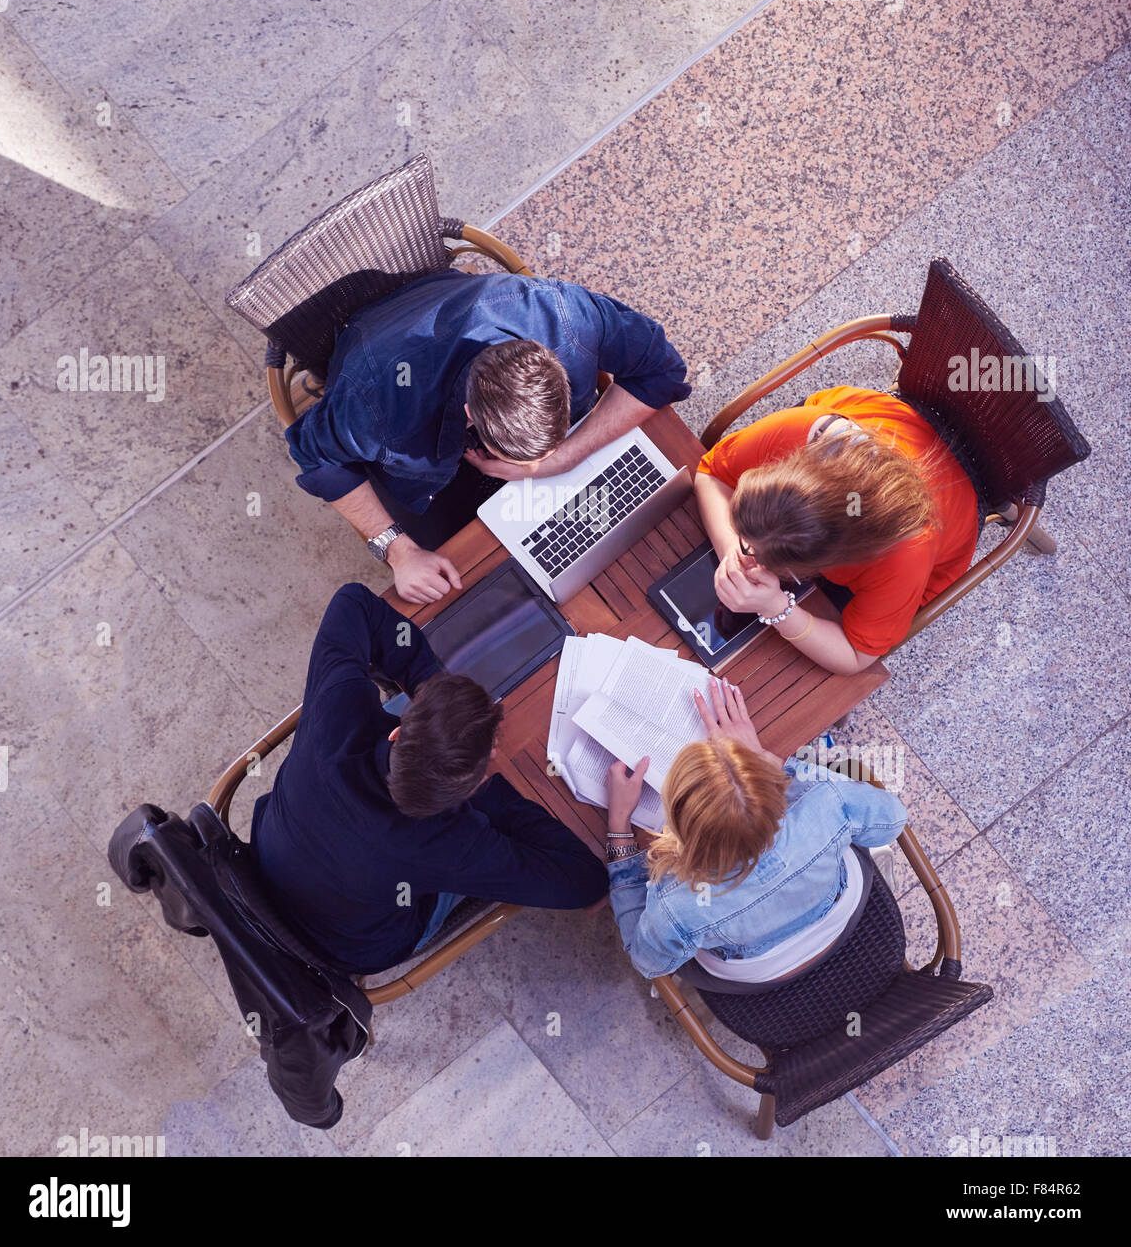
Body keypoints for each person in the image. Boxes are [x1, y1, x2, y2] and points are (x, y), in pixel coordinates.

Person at [251, 583, 608, 975]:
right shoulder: (454, 845)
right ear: (468, 790)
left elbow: (352, 601)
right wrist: (492, 801)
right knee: (473, 868)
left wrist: (431, 690)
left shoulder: (334, 713)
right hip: (349, 946)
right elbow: (585, 882)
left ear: (397, 734)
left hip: (268, 866)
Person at [285, 268, 690, 604]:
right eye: (517, 458)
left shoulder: (565, 316)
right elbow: (315, 457)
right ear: (469, 418)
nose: (530, 468)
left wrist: (564, 456)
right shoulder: (373, 405)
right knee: (481, 592)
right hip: (418, 454)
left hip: (448, 316)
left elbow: (662, 371)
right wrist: (397, 550)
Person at [603, 678, 907, 981]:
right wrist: (772, 763)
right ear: (772, 789)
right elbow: (892, 821)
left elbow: (649, 962)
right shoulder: (827, 801)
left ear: (680, 827)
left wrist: (619, 827)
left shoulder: (674, 907)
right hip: (839, 910)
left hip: (758, 968)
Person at [693, 384, 979, 673]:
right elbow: (711, 473)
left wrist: (778, 609)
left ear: (829, 564)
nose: (750, 557)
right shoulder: (797, 430)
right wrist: (731, 548)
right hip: (891, 421)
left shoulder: (904, 558)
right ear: (782, 467)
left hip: (949, 518)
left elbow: (856, 656)